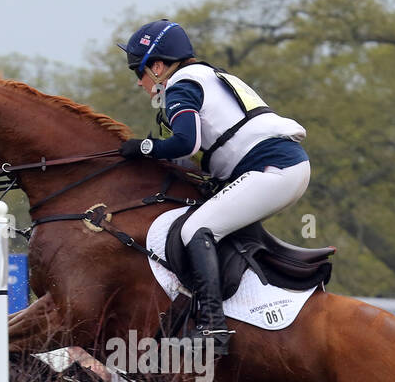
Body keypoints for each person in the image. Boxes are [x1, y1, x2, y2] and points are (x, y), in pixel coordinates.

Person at [117, 19, 308, 357]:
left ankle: (214, 328)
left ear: (158, 66)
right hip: (281, 166)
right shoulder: (205, 75)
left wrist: (143, 148)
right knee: (212, 226)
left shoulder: (180, 84)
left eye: (140, 71)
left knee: (197, 229)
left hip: (273, 168)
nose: (139, 82)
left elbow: (185, 144)